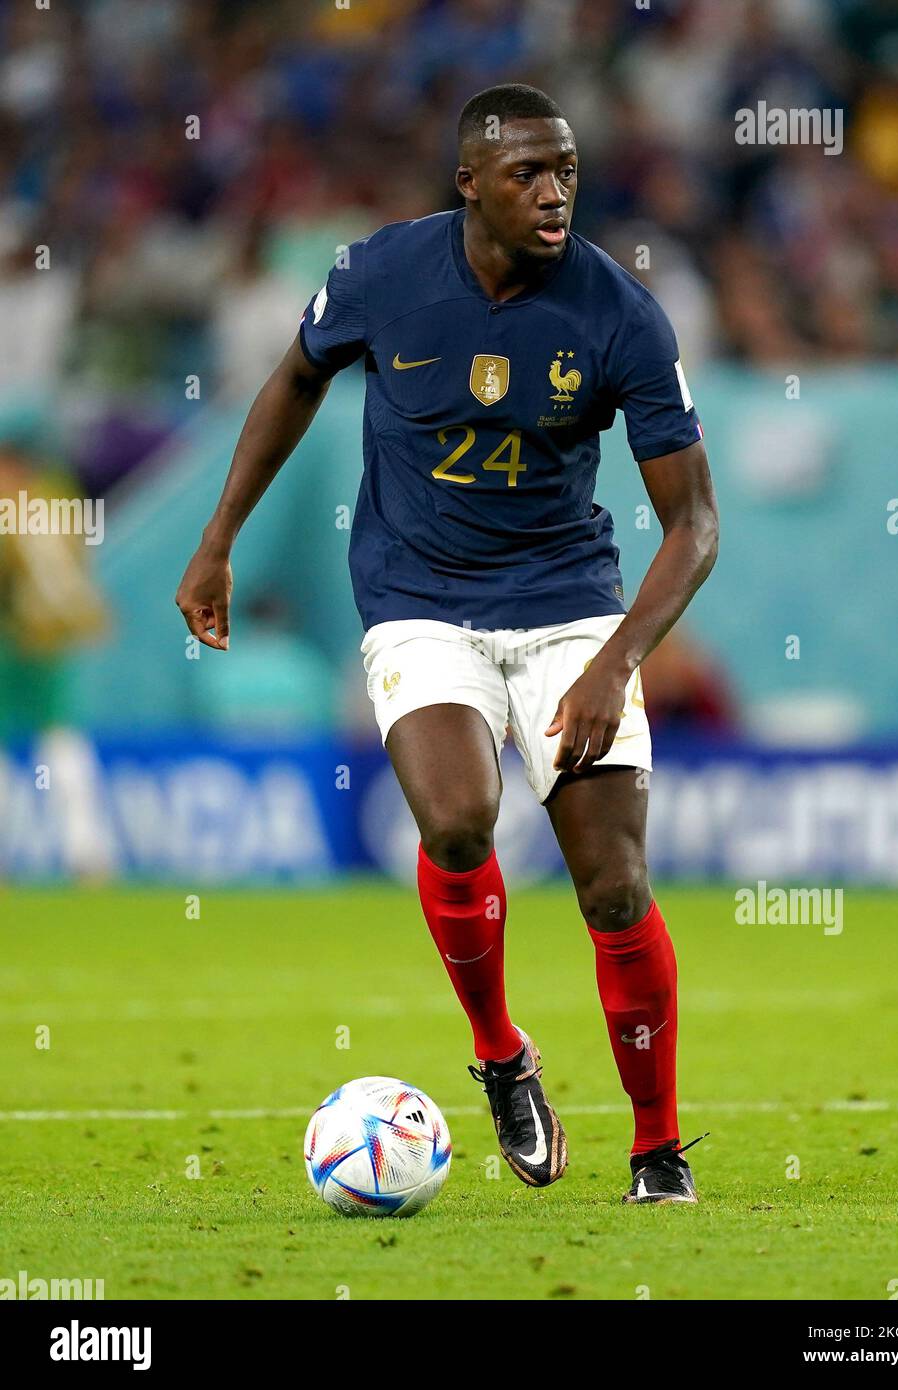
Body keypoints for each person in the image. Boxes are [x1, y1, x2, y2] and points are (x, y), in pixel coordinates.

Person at [176, 84, 718, 1205]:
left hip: (570, 608)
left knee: (612, 886)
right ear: (469, 182)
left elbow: (695, 523)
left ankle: (656, 1150)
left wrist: (617, 659)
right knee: (460, 818)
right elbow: (293, 380)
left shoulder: (620, 314)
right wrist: (219, 537)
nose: (555, 191)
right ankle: (500, 1054)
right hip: (419, 597)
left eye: (566, 168)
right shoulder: (380, 272)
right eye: (527, 172)